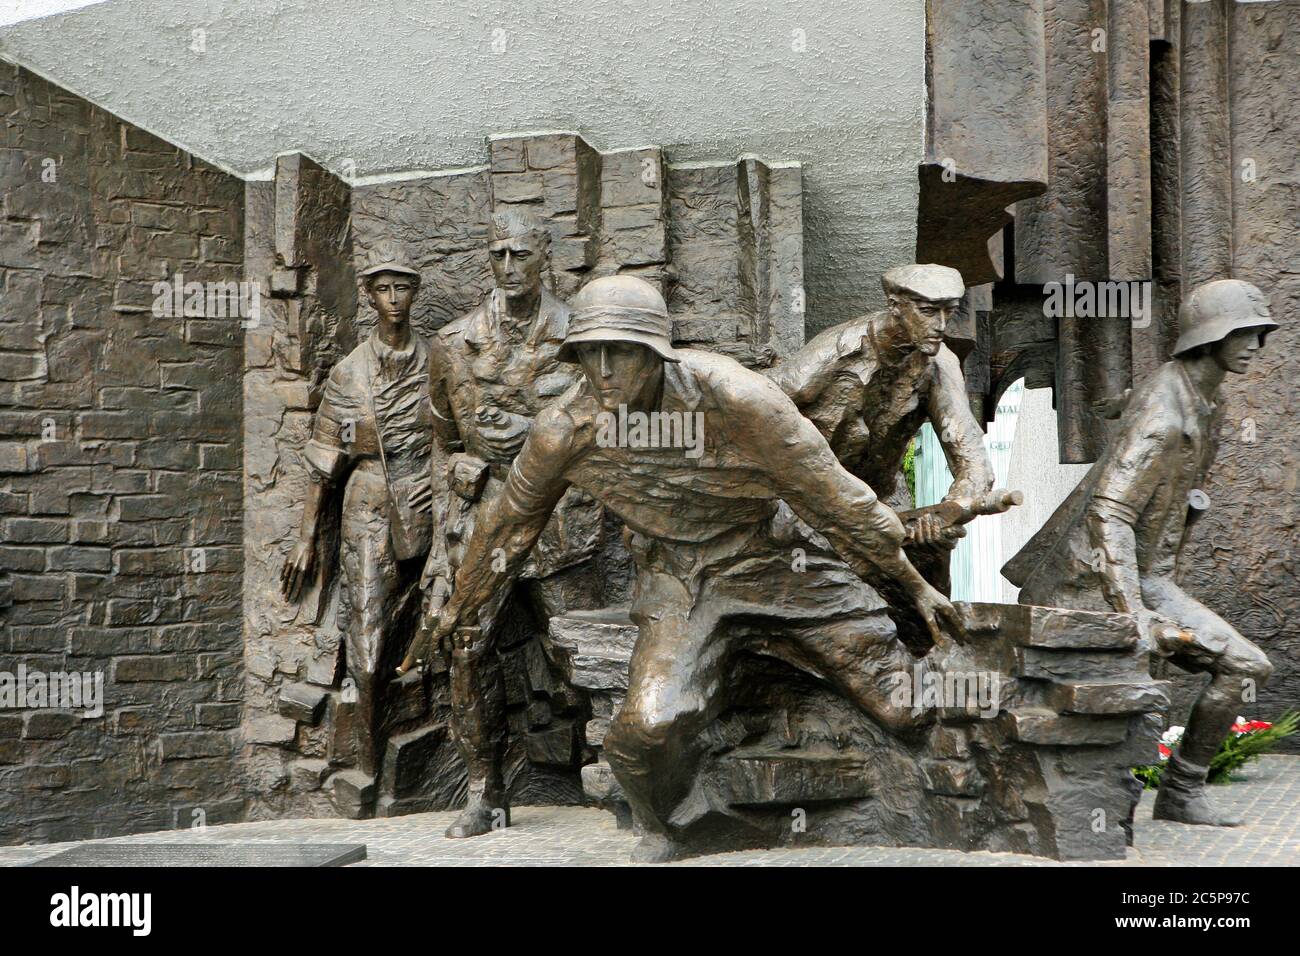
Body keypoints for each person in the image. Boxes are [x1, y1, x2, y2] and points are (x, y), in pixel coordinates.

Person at [399, 275, 963, 861]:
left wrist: (913, 585)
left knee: (903, 705)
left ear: (655, 353)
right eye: (588, 354)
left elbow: (835, 499)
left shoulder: (739, 400)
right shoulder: (564, 432)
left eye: (618, 351)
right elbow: (505, 529)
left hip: (771, 558)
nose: (603, 371)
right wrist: (458, 610)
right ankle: (668, 828)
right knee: (641, 735)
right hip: (679, 580)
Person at [1003, 278, 1277, 826]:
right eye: (1242, 333)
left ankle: (1180, 792)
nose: (1253, 345)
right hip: (1092, 585)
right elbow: (1113, 513)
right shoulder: (1166, 413)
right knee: (1244, 663)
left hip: (1147, 578)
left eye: (1259, 334)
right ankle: (1178, 790)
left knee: (1248, 666)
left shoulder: (1203, 400)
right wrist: (1136, 617)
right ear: (1209, 336)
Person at [421, 208, 601, 838]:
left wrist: (534, 434)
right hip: (487, 518)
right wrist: (458, 469)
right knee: (466, 647)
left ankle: (624, 779)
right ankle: (485, 793)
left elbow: (614, 423)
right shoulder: (451, 344)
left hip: (561, 514)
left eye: (520, 254)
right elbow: (442, 440)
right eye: (497, 254)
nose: (508, 266)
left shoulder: (584, 332)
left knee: (587, 648)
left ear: (544, 256)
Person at [280, 241, 434, 787]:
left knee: (444, 624)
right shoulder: (350, 375)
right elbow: (327, 461)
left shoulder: (438, 362)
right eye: (383, 289)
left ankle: (432, 747)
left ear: (416, 293)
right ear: (370, 297)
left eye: (403, 288)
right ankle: (366, 757)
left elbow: (457, 433)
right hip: (368, 501)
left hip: (430, 498)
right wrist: (305, 539)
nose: (394, 299)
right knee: (367, 636)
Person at [770, 264, 993, 605]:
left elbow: (972, 457)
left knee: (928, 557)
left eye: (949, 313)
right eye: (929, 312)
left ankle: (930, 649)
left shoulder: (938, 365)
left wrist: (954, 508)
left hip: (882, 500)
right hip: (806, 502)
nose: (941, 326)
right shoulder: (834, 353)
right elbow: (759, 404)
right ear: (894, 305)